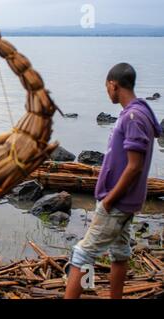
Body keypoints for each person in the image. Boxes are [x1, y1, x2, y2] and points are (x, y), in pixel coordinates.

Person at [64, 63, 162, 299]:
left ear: (113, 84)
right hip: (126, 202)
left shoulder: (132, 117)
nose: (107, 92)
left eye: (106, 87)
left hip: (117, 202)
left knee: (82, 254)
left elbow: (135, 166)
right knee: (120, 252)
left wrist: (109, 199)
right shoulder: (139, 112)